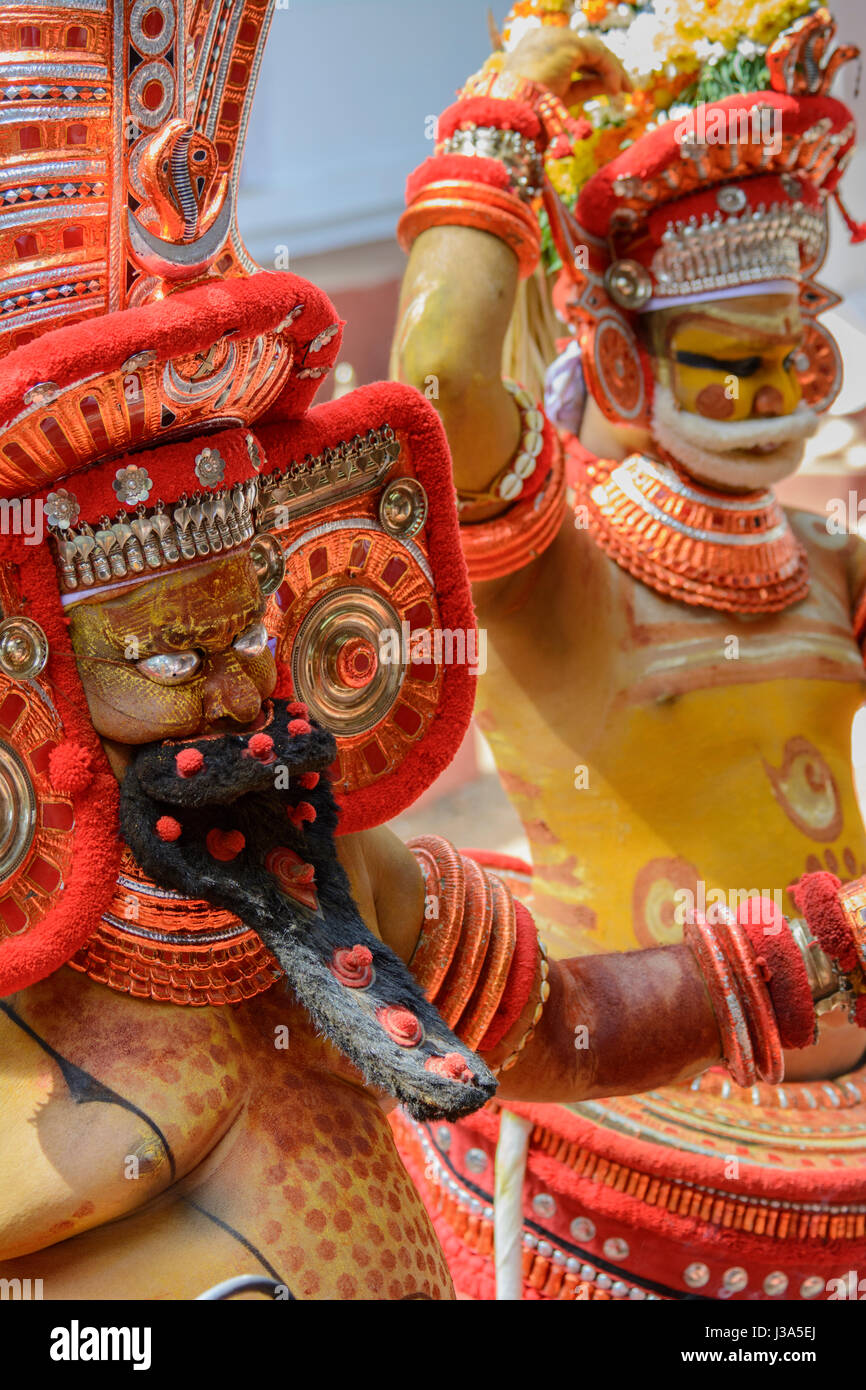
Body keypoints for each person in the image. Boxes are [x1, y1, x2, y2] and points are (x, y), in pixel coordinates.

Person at [1, 0, 853, 1302]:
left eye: (246, 631)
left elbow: (550, 1023)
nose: (234, 692)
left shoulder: (327, 862)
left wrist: (799, 959)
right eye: (168, 663)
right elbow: (449, 378)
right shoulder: (37, 970)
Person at [392, 1, 866, 1299]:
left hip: (837, 1139)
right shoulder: (558, 569)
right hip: (627, 1139)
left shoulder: (829, 565)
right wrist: (497, 114)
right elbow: (434, 387)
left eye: (795, 358)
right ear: (618, 355)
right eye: (730, 362)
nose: (775, 399)